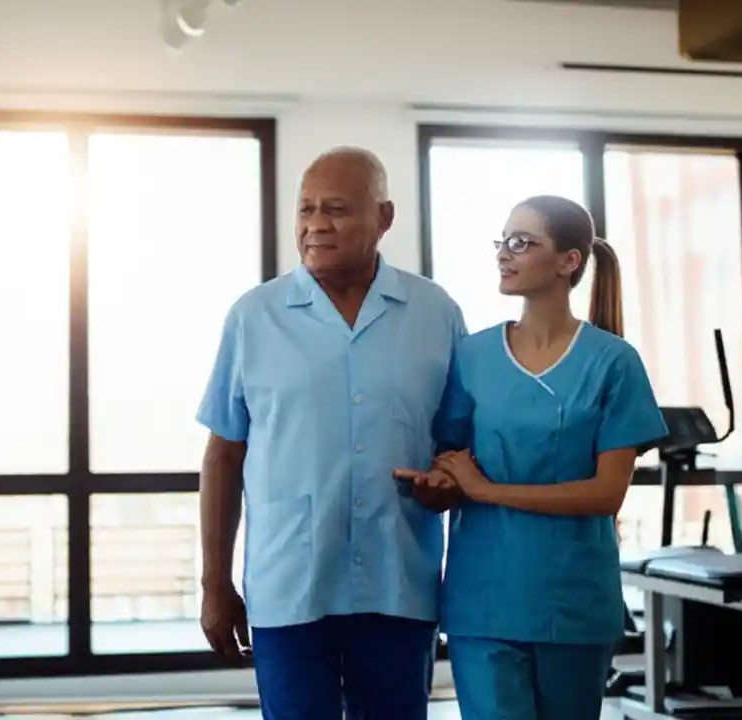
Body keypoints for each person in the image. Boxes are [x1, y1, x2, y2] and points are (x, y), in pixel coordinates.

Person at [196, 146, 466, 719]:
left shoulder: (434, 312)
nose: (316, 225)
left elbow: (457, 443)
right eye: (306, 210)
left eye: (337, 209)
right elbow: (223, 454)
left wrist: (446, 480)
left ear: (384, 217)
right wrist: (215, 582)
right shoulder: (255, 316)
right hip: (289, 584)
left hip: (399, 581)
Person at [395, 195, 669, 720]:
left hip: (575, 603)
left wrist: (488, 491)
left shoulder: (613, 362)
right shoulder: (472, 357)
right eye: (503, 241)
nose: (504, 253)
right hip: (485, 600)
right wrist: (434, 488)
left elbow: (607, 493)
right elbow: (451, 465)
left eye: (522, 242)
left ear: (570, 261)